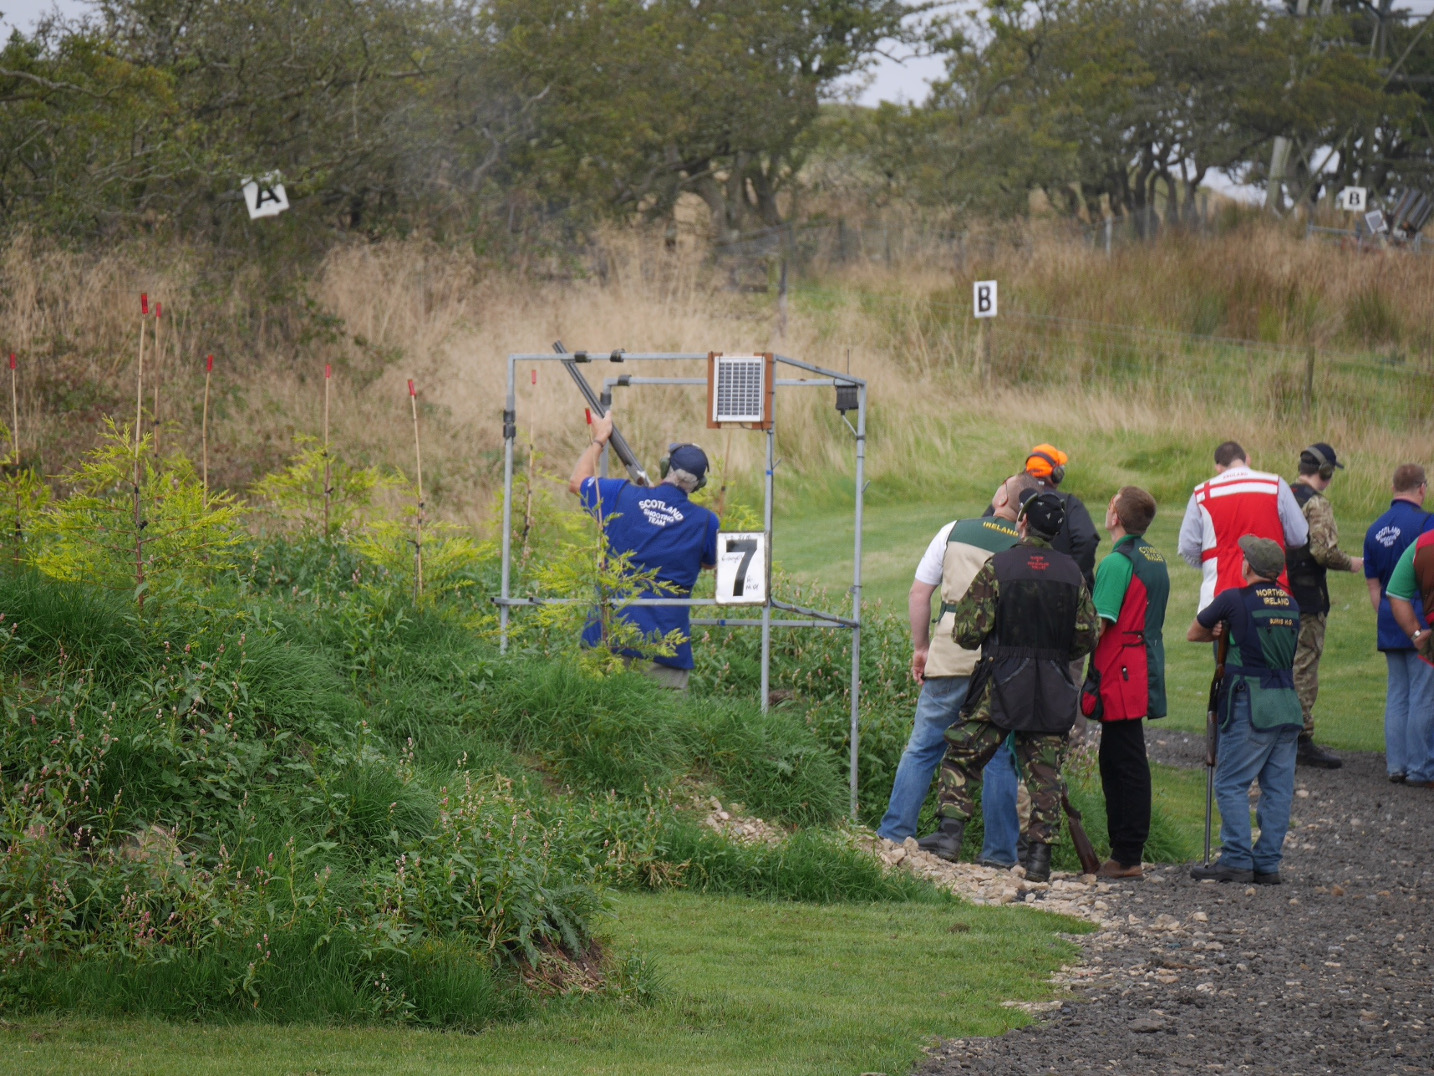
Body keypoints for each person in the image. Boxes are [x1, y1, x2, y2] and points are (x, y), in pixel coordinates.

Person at [917, 491, 1100, 883]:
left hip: (999, 683)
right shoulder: (1072, 573)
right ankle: (1038, 861)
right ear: (1056, 531)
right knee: (1045, 775)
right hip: (1052, 685)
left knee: (963, 756)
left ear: (1022, 523)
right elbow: (1088, 636)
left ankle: (949, 838)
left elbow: (966, 632)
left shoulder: (999, 566)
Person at [877, 474, 1039, 867]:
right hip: (1001, 660)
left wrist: (921, 647)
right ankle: (999, 853)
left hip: (950, 648)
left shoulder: (953, 531)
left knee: (924, 746)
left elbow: (920, 593)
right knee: (999, 756)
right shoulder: (1027, 548)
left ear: (1001, 495)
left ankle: (896, 833)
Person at [568, 413, 719, 689]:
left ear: (664, 468)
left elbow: (577, 481)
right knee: (664, 730)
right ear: (698, 485)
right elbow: (710, 563)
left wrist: (600, 438)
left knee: (593, 726)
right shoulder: (705, 522)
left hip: (606, 639)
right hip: (664, 653)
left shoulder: (620, 494)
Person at [1186, 536, 1303, 884]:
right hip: (1288, 704)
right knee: (1278, 790)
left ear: (1248, 566)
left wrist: (1218, 632)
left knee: (1231, 783)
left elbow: (1195, 632)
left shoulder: (1233, 599)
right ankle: (1267, 863)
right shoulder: (1292, 604)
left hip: (1250, 703)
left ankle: (1236, 857)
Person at [1086, 486, 1168, 880]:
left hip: (1120, 666)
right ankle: (1125, 849)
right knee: (1118, 755)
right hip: (1140, 663)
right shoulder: (1153, 556)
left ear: (1115, 515)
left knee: (1125, 761)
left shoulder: (1117, 563)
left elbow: (1098, 624)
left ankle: (1127, 854)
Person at [1285, 444, 1363, 769]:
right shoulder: (1317, 503)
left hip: (1279, 592)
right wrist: (1351, 563)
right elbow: (1323, 552)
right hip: (1308, 599)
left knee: (1280, 663)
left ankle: (1275, 733)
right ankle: (1301, 739)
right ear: (1326, 472)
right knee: (1304, 667)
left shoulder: (1284, 496)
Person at [1364, 464, 1434, 785]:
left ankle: (1396, 765)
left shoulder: (1374, 529)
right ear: (1422, 488)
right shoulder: (1425, 522)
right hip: (1420, 617)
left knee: (1397, 693)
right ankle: (1421, 767)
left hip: (1390, 619)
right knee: (1423, 694)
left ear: (1394, 488)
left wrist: (1389, 617)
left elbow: (1375, 590)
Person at [1178, 440, 1309, 611]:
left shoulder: (1202, 493)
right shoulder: (1275, 486)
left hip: (1220, 593)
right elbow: (1299, 537)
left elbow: (1187, 546)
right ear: (1247, 459)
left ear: (1218, 467)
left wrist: (1212, 563)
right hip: (1273, 594)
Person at [986, 444, 1099, 587]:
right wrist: (1073, 575)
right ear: (1057, 474)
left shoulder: (1007, 498)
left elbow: (986, 530)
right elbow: (1086, 539)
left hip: (1010, 583)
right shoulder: (1070, 504)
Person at [1383, 517, 1434, 788]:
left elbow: (1395, 592)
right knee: (1424, 697)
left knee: (1414, 696)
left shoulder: (1423, 544)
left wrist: (1415, 633)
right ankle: (1422, 768)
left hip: (1427, 630)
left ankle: (1411, 767)